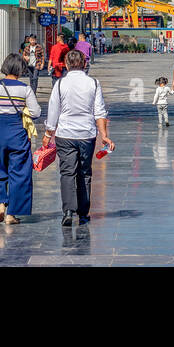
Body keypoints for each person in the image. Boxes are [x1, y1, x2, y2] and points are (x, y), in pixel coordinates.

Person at [46, 49, 111, 227]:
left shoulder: (60, 84)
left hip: (65, 134)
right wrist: (104, 135)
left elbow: (53, 111)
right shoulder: (94, 84)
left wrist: (47, 134)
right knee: (84, 172)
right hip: (86, 134)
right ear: (84, 64)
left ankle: (68, 211)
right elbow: (100, 111)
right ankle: (83, 212)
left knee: (67, 172)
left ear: (66, 64)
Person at [0, 54, 40, 224]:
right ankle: (12, 214)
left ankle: (1, 204)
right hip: (18, 134)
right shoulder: (25, 89)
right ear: (20, 69)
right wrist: (23, 109)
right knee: (20, 173)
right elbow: (36, 112)